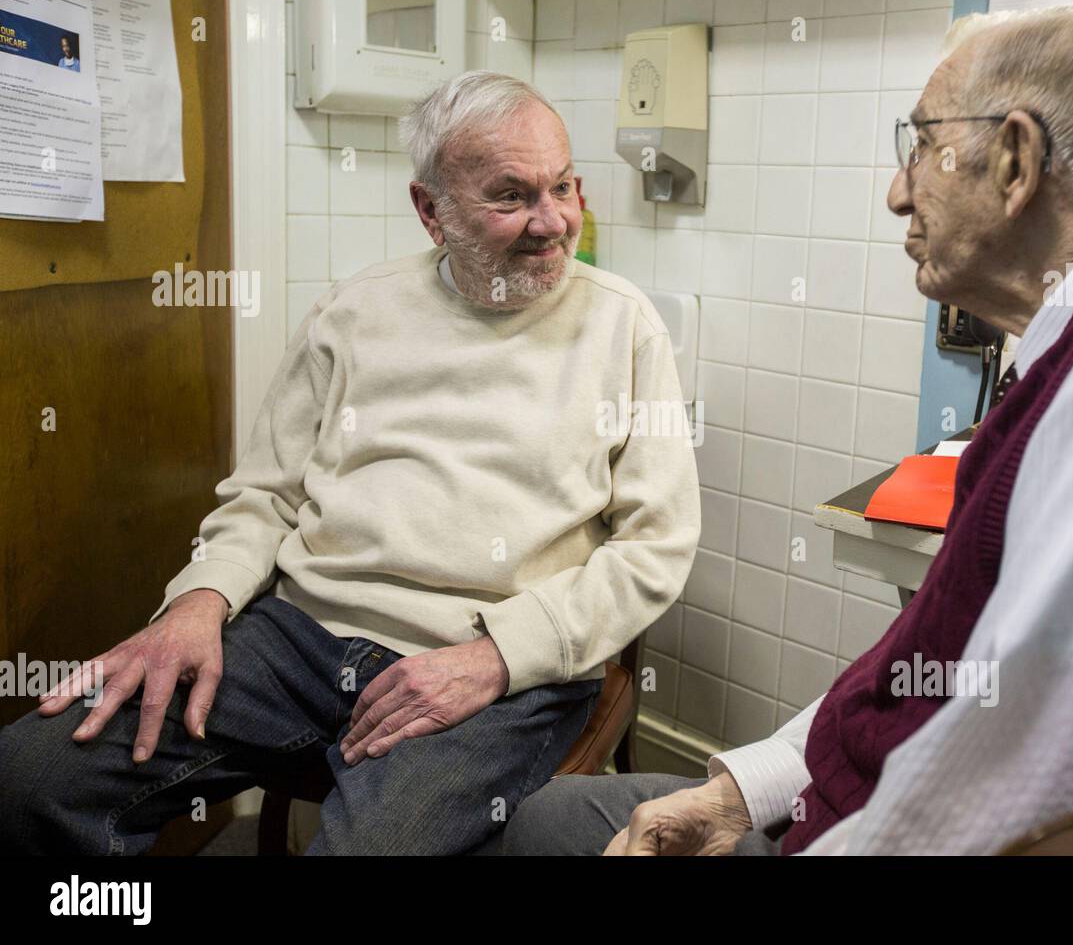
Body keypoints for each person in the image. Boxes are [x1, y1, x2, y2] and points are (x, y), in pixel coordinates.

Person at [503, 4, 1073, 856]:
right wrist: (739, 795)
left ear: (1017, 160)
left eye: (921, 146)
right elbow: (925, 665)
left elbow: (1034, 802)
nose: (897, 192)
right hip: (836, 805)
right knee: (547, 820)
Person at [0, 71, 700, 855]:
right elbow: (266, 495)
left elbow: (655, 547)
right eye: (512, 196)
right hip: (297, 640)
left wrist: (498, 659)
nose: (554, 222)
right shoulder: (355, 309)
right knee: (29, 776)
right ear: (431, 211)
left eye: (563, 186)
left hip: (496, 667)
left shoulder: (624, 327)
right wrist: (197, 601)